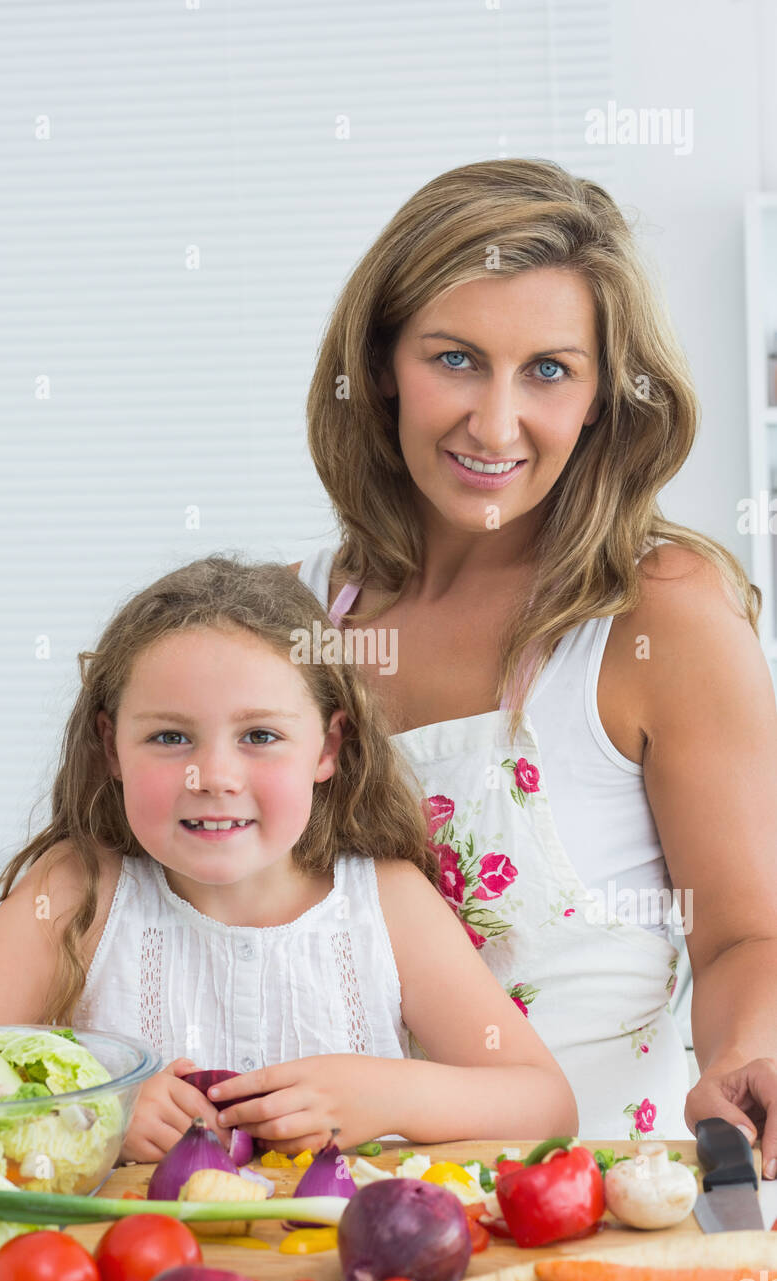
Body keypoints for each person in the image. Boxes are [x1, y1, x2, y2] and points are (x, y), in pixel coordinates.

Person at [292, 156, 777, 1164]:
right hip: (328, 1216)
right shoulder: (290, 618)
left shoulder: (657, 612)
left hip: (587, 1213)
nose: (494, 422)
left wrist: (747, 1052)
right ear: (380, 364)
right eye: (454, 358)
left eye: (548, 370)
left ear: (603, 396)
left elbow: (744, 933)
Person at [0, 554, 578, 1161]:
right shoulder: (75, 892)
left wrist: (390, 1095)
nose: (214, 776)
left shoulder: (389, 901)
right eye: (170, 736)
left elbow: (546, 1105)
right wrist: (92, 1112)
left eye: (260, 735)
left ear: (327, 746)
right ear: (111, 747)